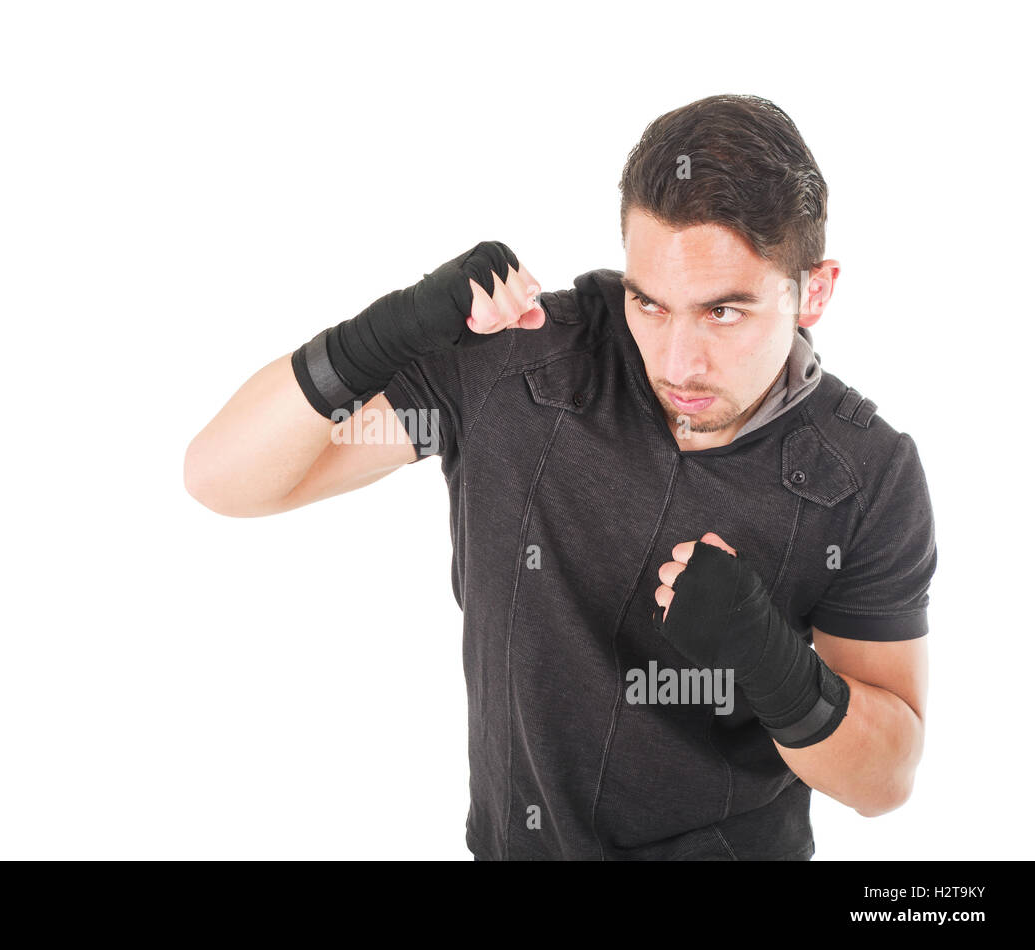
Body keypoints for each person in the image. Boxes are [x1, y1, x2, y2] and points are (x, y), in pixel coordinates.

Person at [183, 94, 937, 861]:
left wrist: (772, 665)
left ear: (815, 289)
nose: (678, 364)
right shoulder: (516, 362)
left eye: (724, 314)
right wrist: (382, 335)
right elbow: (223, 478)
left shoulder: (867, 473)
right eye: (650, 303)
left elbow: (886, 780)